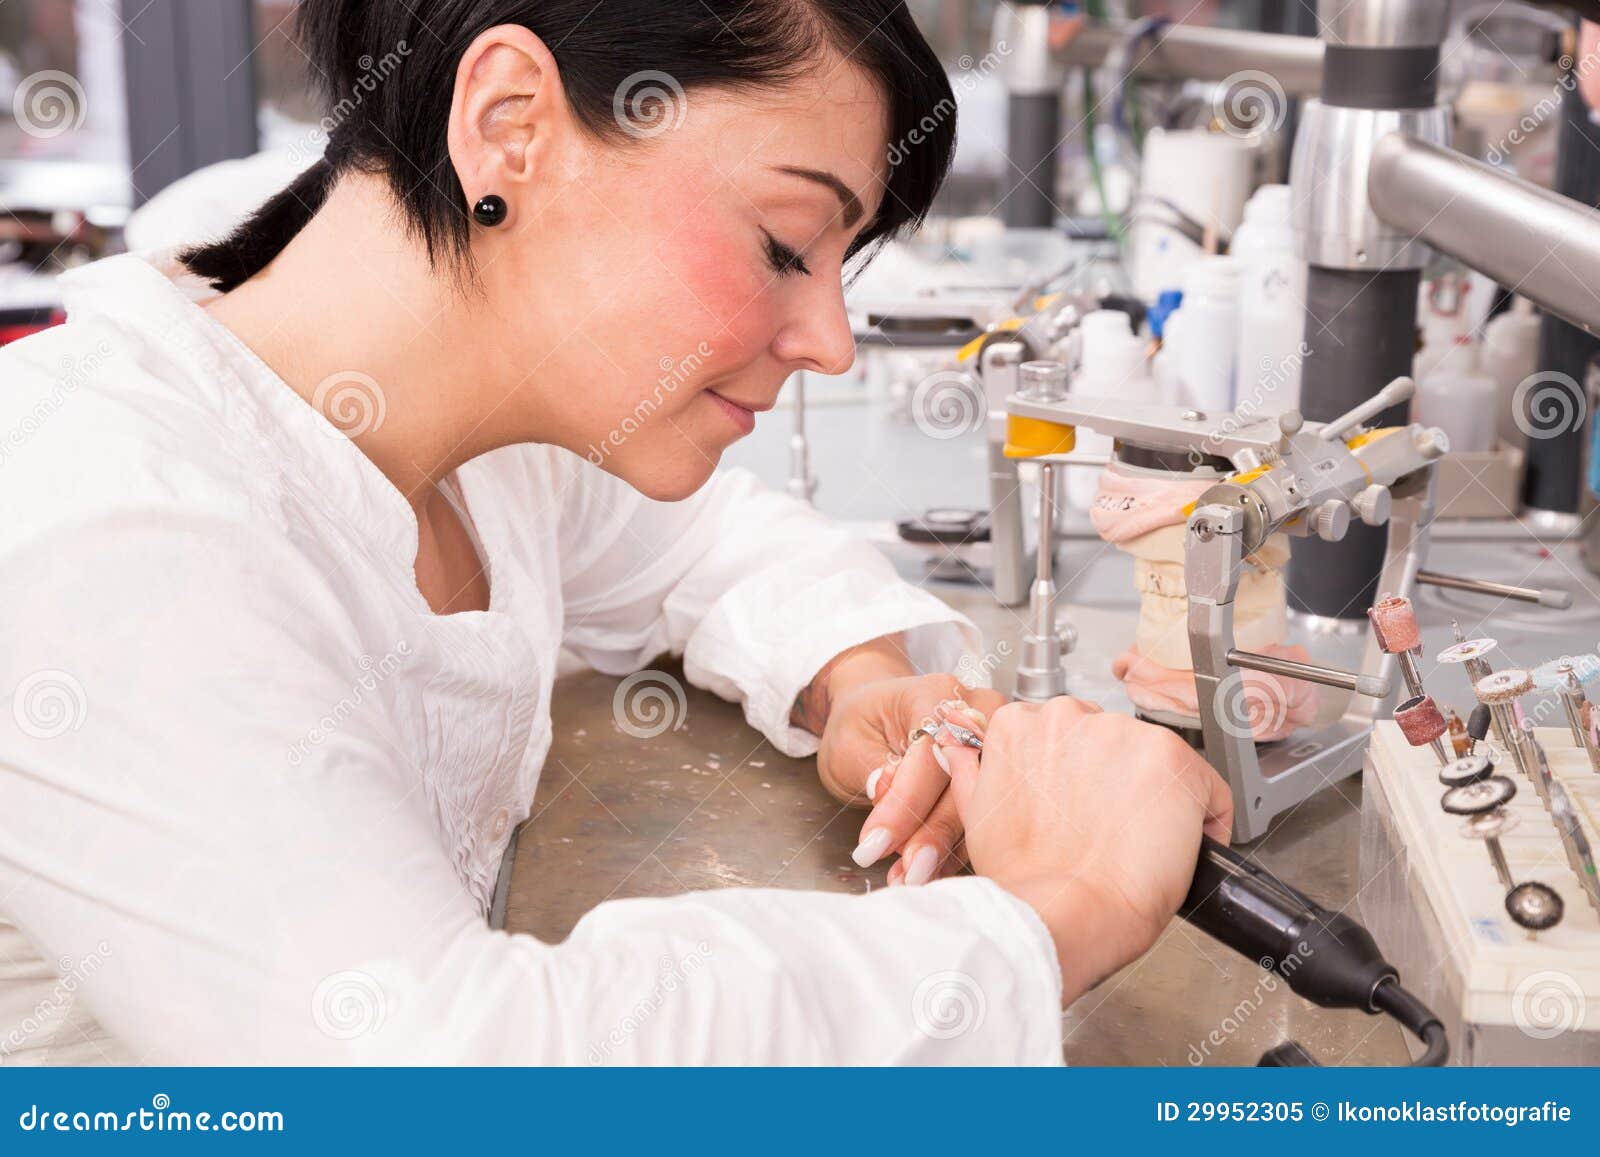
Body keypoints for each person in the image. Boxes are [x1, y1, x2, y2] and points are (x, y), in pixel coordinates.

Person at [0, 0, 1229, 1064]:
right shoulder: (116, 514)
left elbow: (705, 548)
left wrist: (854, 682)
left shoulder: (481, 443)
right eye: (787, 244)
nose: (831, 340)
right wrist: (1069, 905)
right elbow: (441, 1069)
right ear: (510, 121)